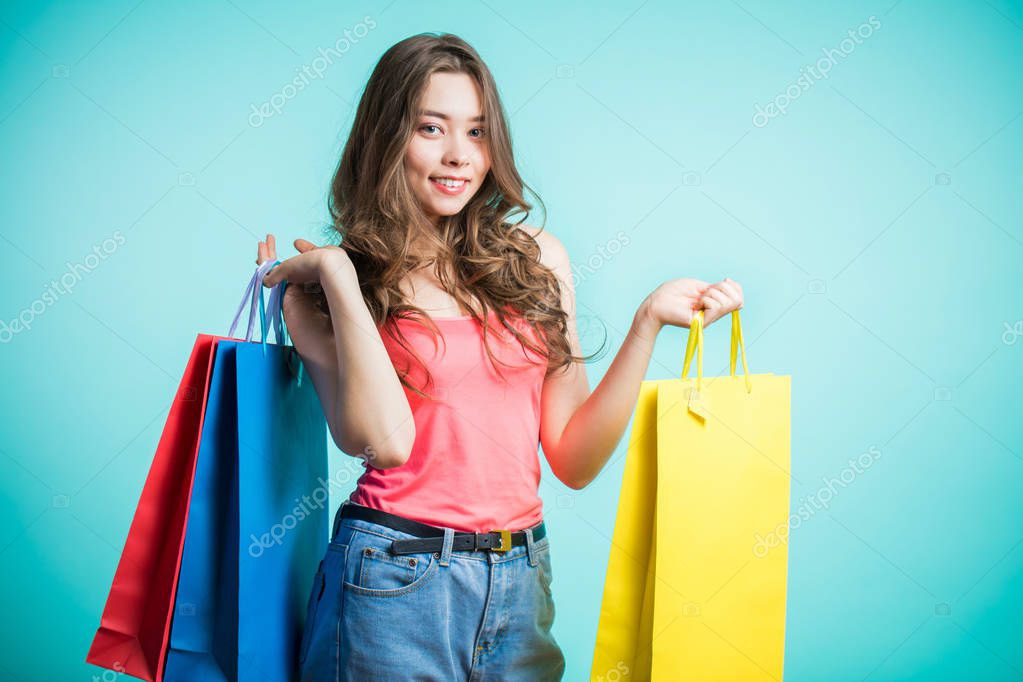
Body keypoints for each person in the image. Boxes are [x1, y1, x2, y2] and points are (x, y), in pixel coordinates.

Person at [256, 32, 743, 682]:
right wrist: (339, 282)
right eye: (431, 128)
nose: (458, 155)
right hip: (392, 576)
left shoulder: (536, 259)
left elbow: (572, 458)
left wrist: (646, 323)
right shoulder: (345, 284)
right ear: (386, 136)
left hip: (520, 578)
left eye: (477, 133)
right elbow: (380, 443)